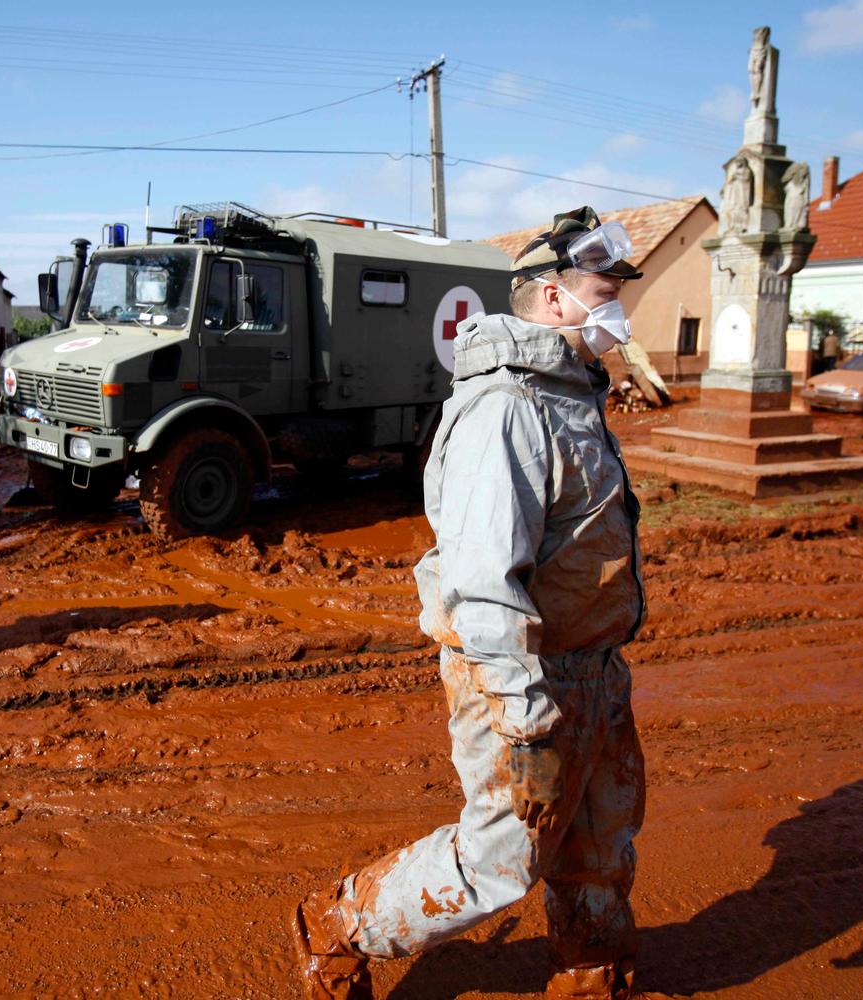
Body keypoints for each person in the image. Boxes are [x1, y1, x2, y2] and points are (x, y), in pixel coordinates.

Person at [291, 207, 651, 1000]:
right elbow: (483, 580)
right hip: (524, 678)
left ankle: (593, 974)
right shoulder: (508, 406)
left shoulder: (570, 396)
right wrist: (524, 720)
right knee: (503, 859)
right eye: (605, 290)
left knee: (600, 841)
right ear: (553, 300)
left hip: (591, 669)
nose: (620, 307)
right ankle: (343, 923)